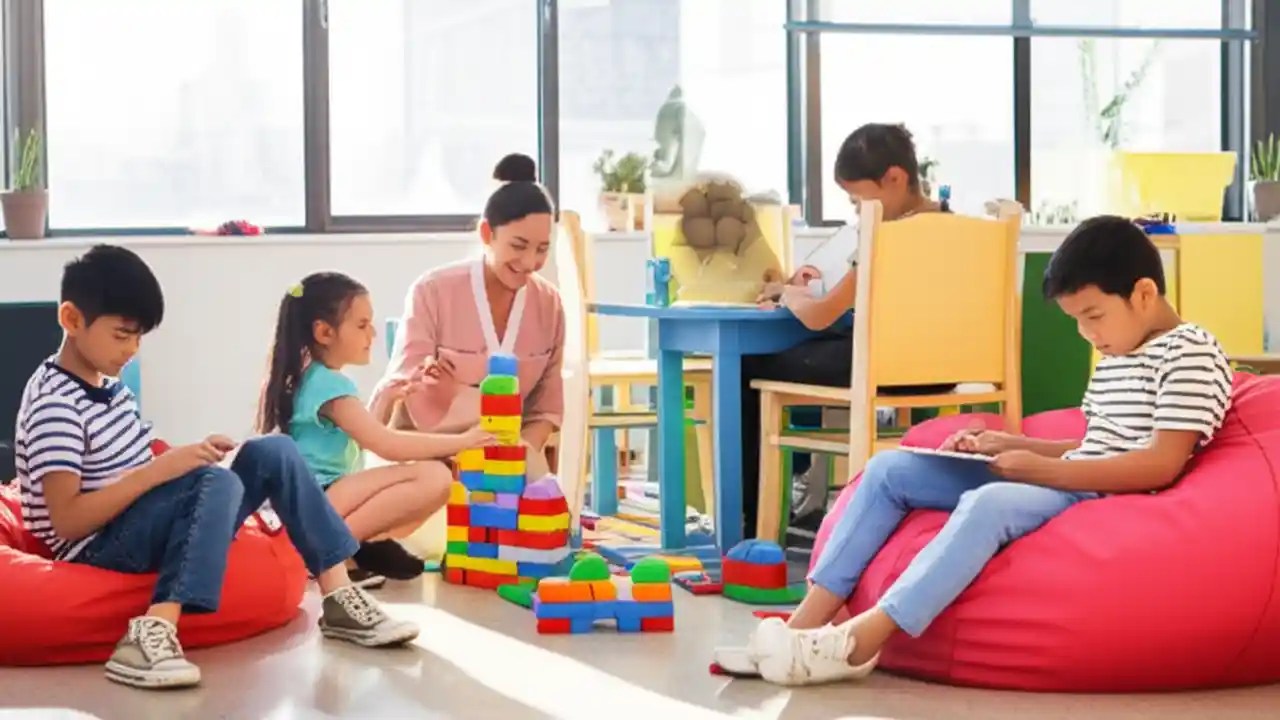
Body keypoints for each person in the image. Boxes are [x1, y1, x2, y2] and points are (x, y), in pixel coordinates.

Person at [714, 215, 1235, 686]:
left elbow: (1160, 463)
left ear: (1143, 294)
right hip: (1074, 475)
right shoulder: (1120, 349)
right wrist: (1012, 444)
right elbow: (1098, 442)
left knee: (988, 504)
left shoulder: (1189, 351)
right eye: (1077, 319)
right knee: (890, 469)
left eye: (1093, 315)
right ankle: (801, 626)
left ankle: (857, 643)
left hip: (1100, 495)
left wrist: (1039, 472)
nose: (1086, 333)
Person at [15, 245, 418, 690]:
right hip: (96, 546)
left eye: (139, 337)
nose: (131, 350)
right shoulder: (56, 405)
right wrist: (163, 471)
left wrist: (190, 457)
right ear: (72, 319)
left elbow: (134, 470)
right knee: (215, 482)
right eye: (122, 335)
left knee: (275, 450)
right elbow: (69, 521)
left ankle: (339, 596)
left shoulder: (109, 388)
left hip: (139, 521)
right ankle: (151, 633)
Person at [741, 123, 945, 536]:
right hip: (943, 368)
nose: (856, 212)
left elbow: (819, 314)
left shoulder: (886, 235)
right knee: (824, 343)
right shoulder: (964, 230)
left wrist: (788, 294)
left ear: (894, 178)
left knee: (750, 363)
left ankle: (751, 521)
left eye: (857, 200)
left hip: (884, 365)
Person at [257, 271, 494, 587]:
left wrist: (384, 401)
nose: (373, 333)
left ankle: (352, 553)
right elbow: (386, 444)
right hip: (317, 503)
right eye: (362, 325)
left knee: (423, 494)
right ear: (324, 332)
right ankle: (328, 555)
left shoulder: (310, 378)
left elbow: (358, 442)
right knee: (435, 477)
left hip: (312, 503)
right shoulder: (329, 385)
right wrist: (462, 441)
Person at [372, 175, 564, 479]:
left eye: (542, 249)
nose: (530, 262)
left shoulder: (549, 304)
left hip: (508, 458)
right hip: (430, 460)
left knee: (545, 495)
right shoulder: (432, 291)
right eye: (518, 246)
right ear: (487, 233)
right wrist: (480, 415)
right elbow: (407, 388)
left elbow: (546, 408)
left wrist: (515, 457)